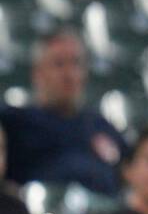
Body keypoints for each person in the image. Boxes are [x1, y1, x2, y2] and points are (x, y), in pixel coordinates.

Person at [0, 29, 127, 196]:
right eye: (59, 64)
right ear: (37, 73)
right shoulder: (16, 123)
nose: (69, 74)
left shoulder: (101, 127)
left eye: (76, 63)